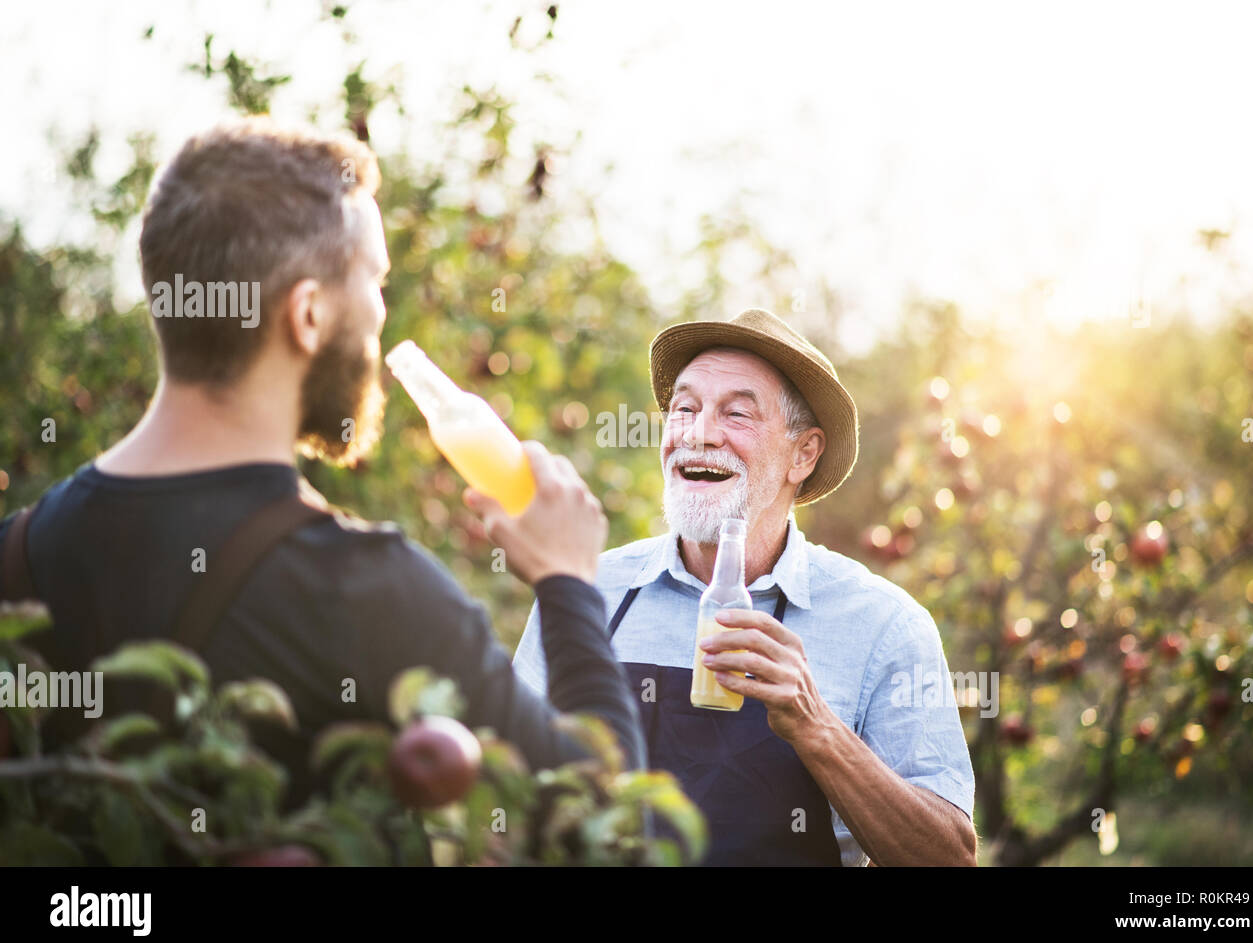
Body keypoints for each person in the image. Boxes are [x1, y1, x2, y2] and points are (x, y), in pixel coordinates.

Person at [0, 119, 644, 807]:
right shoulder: (366, 590)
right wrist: (570, 584)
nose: (380, 315)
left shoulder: (14, 552)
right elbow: (613, 827)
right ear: (306, 315)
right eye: (374, 281)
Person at [514, 308, 977, 866]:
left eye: (736, 414)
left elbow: (949, 859)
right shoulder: (586, 590)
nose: (698, 433)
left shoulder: (883, 625)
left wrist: (816, 727)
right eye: (684, 409)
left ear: (803, 454)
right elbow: (501, 796)